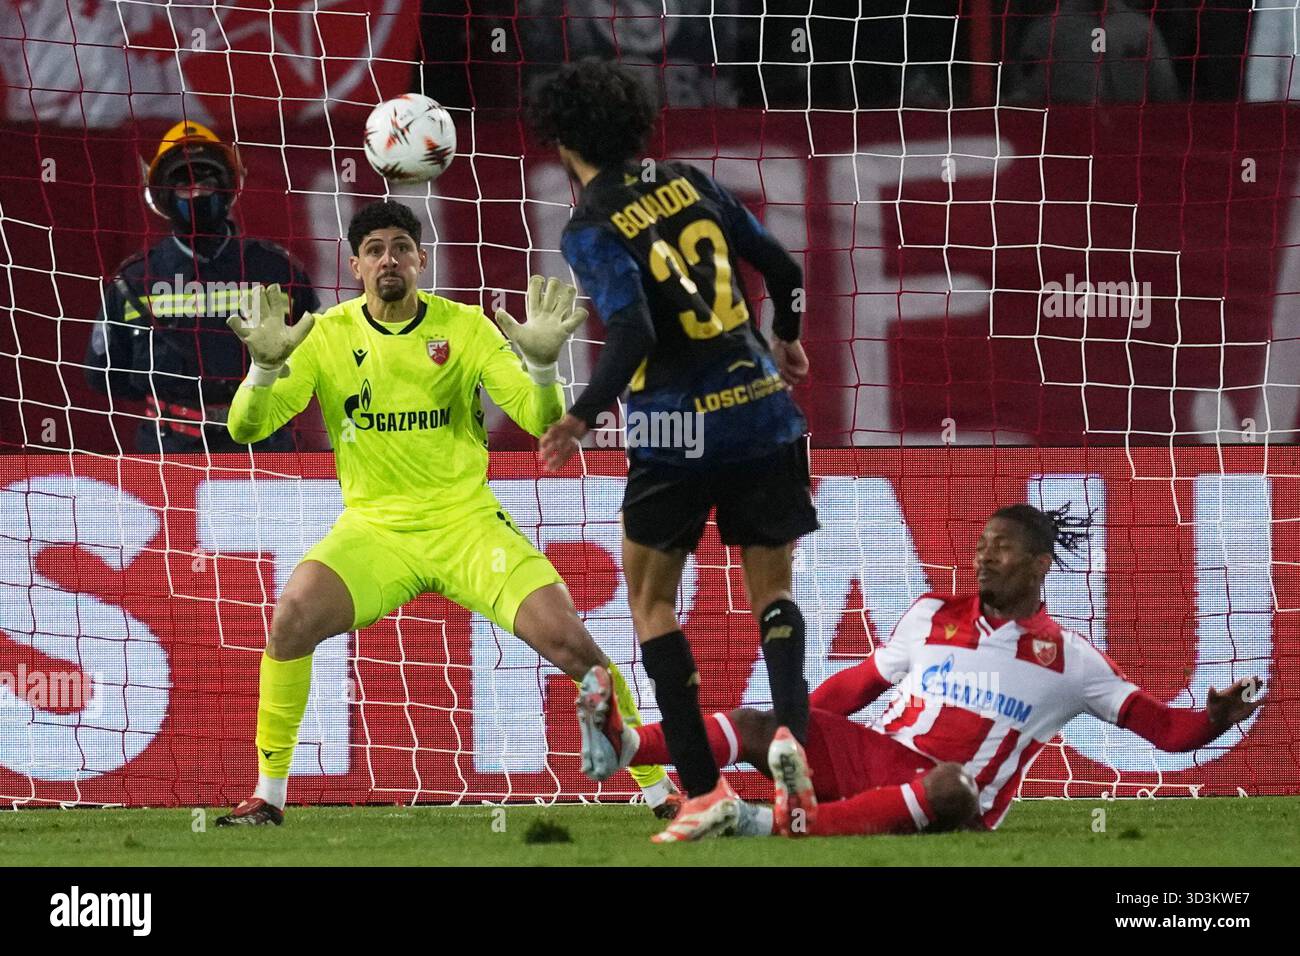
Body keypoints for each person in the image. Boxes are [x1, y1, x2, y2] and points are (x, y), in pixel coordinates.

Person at [214, 199, 676, 825]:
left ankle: (659, 791)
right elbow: (247, 427)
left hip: (467, 526)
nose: (389, 260)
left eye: (401, 247)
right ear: (355, 264)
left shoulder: (464, 328)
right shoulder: (326, 335)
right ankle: (268, 797)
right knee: (291, 617)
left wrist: (542, 365)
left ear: (421, 259)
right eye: (374, 249)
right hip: (375, 532)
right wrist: (264, 371)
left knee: (574, 646)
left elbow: (541, 420)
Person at [525, 61, 818, 842]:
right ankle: (790, 728)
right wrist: (785, 340)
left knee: (653, 603)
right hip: (761, 412)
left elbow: (635, 330)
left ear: (560, 138)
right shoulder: (689, 180)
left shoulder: (589, 224)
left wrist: (583, 415)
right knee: (773, 592)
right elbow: (784, 270)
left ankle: (704, 789)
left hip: (673, 433)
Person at [588, 504, 1266, 837]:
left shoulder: (1073, 660)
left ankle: (763, 821)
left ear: (1038, 566)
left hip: (950, 799)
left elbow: (1166, 732)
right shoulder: (931, 614)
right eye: (979, 547)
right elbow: (851, 690)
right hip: (874, 755)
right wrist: (794, 730)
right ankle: (627, 746)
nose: (981, 558)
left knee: (952, 784)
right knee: (758, 719)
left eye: (999, 550)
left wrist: (1213, 717)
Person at [85, 121, 318, 452]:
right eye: (183, 183)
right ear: (160, 195)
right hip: (168, 451)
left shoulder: (278, 269)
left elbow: (320, 356)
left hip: (264, 441)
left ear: (229, 185)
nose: (195, 192)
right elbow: (104, 375)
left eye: (205, 181)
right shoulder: (132, 282)